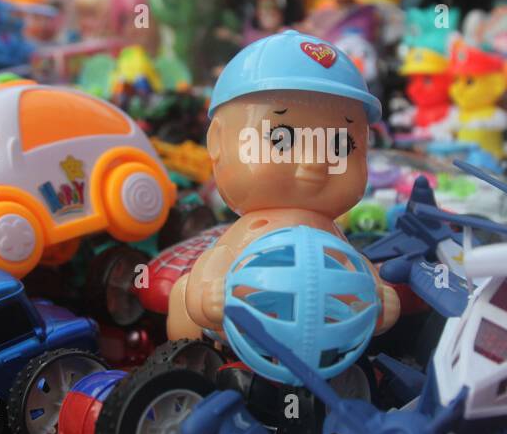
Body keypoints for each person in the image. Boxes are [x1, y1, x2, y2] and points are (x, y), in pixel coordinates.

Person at [168, 30, 400, 340]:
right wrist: (206, 297)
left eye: (341, 146)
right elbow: (214, 267)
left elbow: (355, 270)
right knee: (183, 294)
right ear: (218, 142)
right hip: (239, 342)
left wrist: (380, 299)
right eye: (282, 139)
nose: (317, 160)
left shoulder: (331, 236)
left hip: (320, 346)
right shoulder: (244, 235)